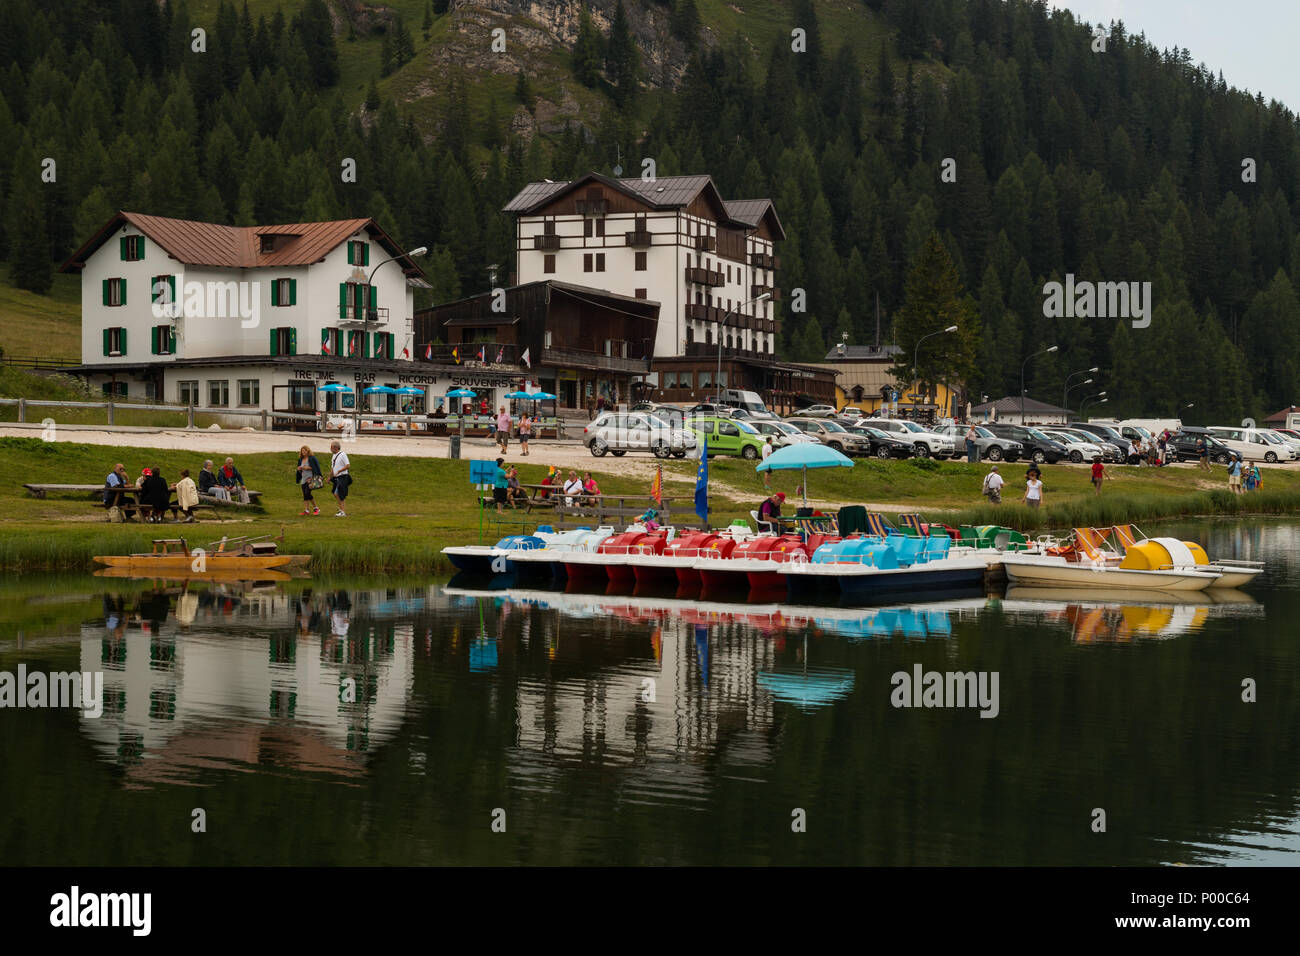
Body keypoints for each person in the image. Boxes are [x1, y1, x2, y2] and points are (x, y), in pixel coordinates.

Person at [296, 445, 322, 516]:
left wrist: (308, 468)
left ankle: (316, 508)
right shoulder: (300, 459)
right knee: (305, 494)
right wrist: (299, 469)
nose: (303, 452)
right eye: (302, 451)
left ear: (308, 451)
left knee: (307, 493)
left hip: (310, 478)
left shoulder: (312, 458)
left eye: (305, 450)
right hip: (303, 479)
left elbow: (316, 468)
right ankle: (306, 510)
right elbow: (299, 468)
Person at [328, 440, 351, 516]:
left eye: (331, 447)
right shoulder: (333, 456)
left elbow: (348, 465)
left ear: (335, 447)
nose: (330, 449)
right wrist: (329, 477)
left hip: (343, 477)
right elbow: (332, 468)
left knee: (339, 493)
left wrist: (339, 471)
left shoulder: (343, 454)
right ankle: (341, 509)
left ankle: (342, 511)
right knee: (335, 493)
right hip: (336, 478)